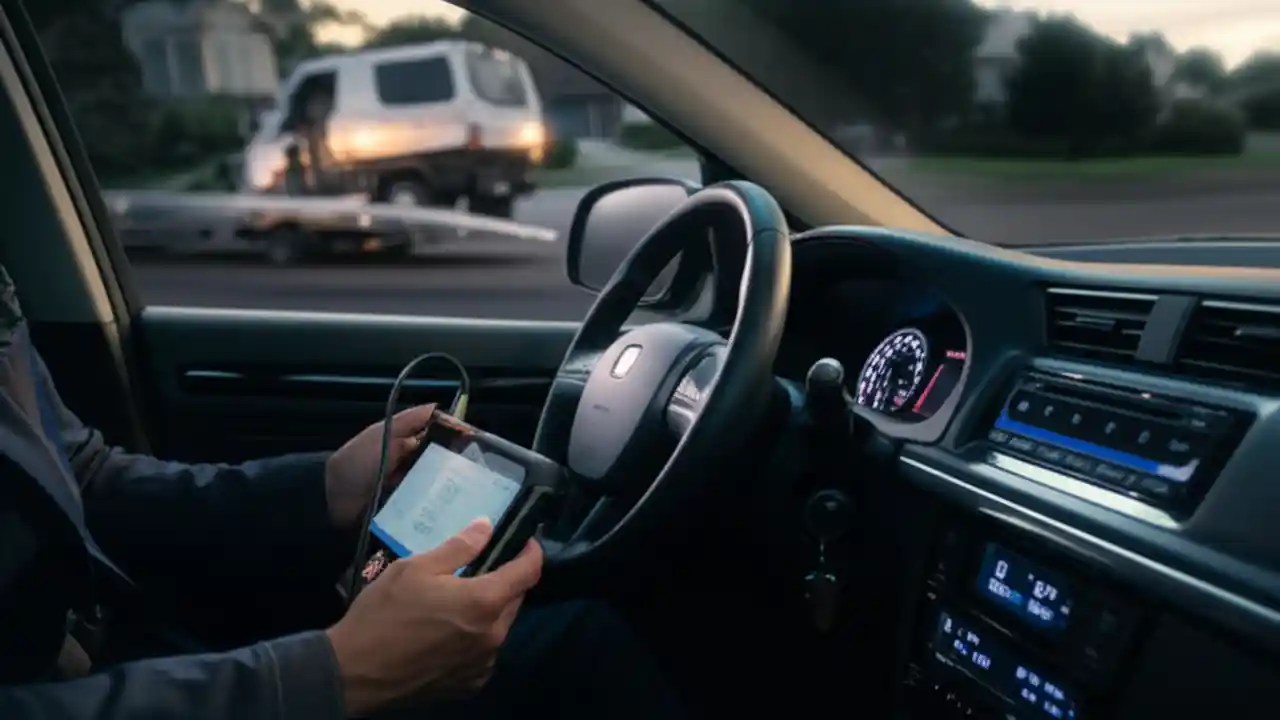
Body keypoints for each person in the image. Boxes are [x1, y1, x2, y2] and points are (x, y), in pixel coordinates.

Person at [0, 268, 684, 719]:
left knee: (576, 637)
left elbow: (83, 474)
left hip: (124, 656)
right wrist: (336, 676)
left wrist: (323, 488)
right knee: (582, 650)